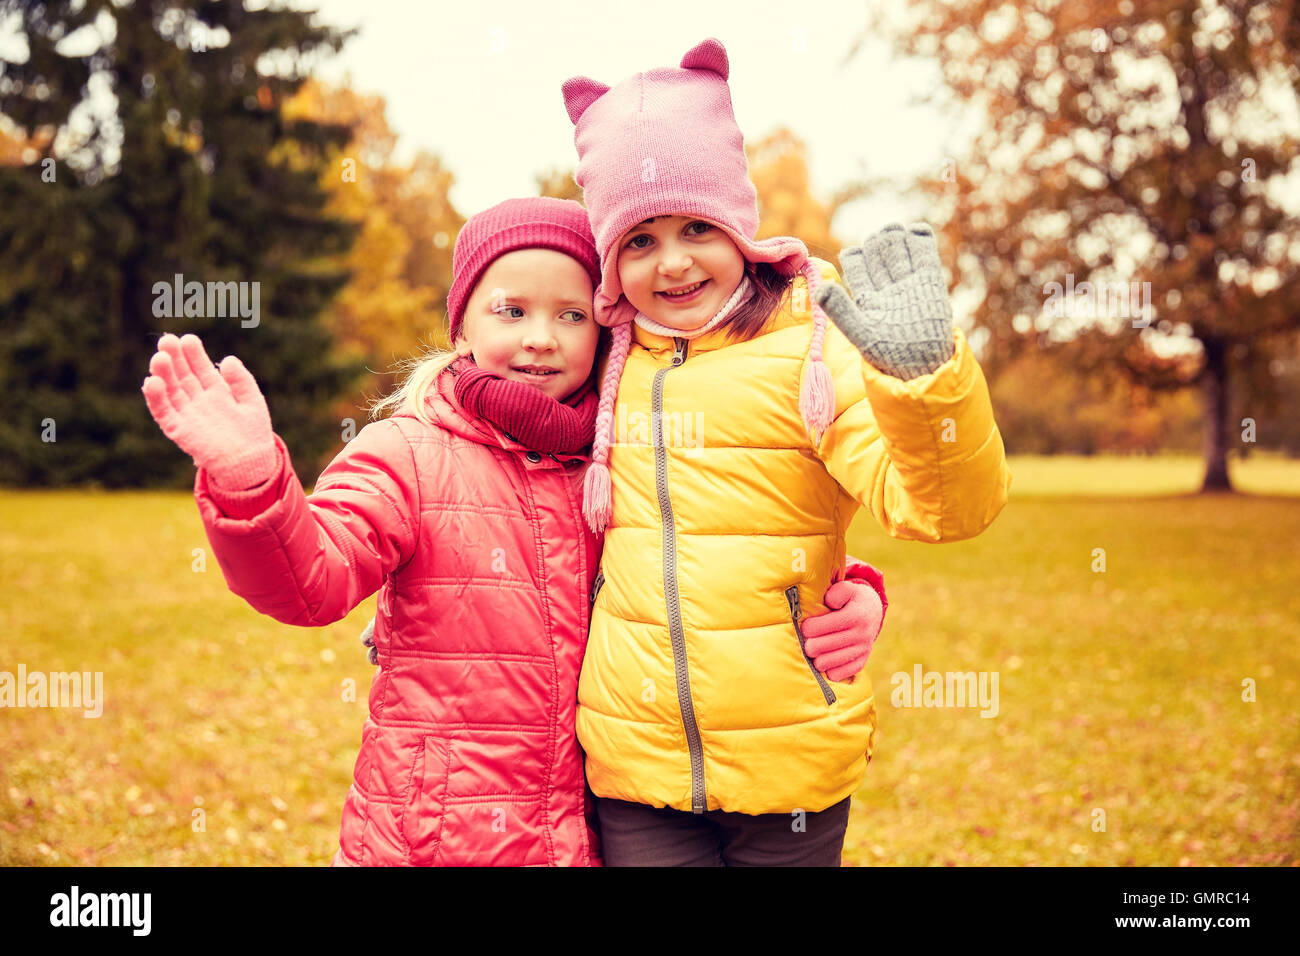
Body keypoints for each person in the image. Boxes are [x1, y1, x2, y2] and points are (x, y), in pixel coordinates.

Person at [141, 196, 886, 866]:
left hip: (582, 831)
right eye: (511, 310)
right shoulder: (409, 451)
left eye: (572, 315)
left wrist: (857, 592)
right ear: (461, 324)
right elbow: (312, 581)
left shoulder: (614, 456)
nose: (541, 338)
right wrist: (251, 482)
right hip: (433, 836)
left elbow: (718, 542)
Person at [561, 37, 1013, 866]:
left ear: (740, 225)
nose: (673, 261)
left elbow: (946, 510)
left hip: (792, 761)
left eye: (697, 225)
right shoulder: (596, 363)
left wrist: (925, 383)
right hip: (634, 768)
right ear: (609, 258)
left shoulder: (812, 343)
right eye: (638, 240)